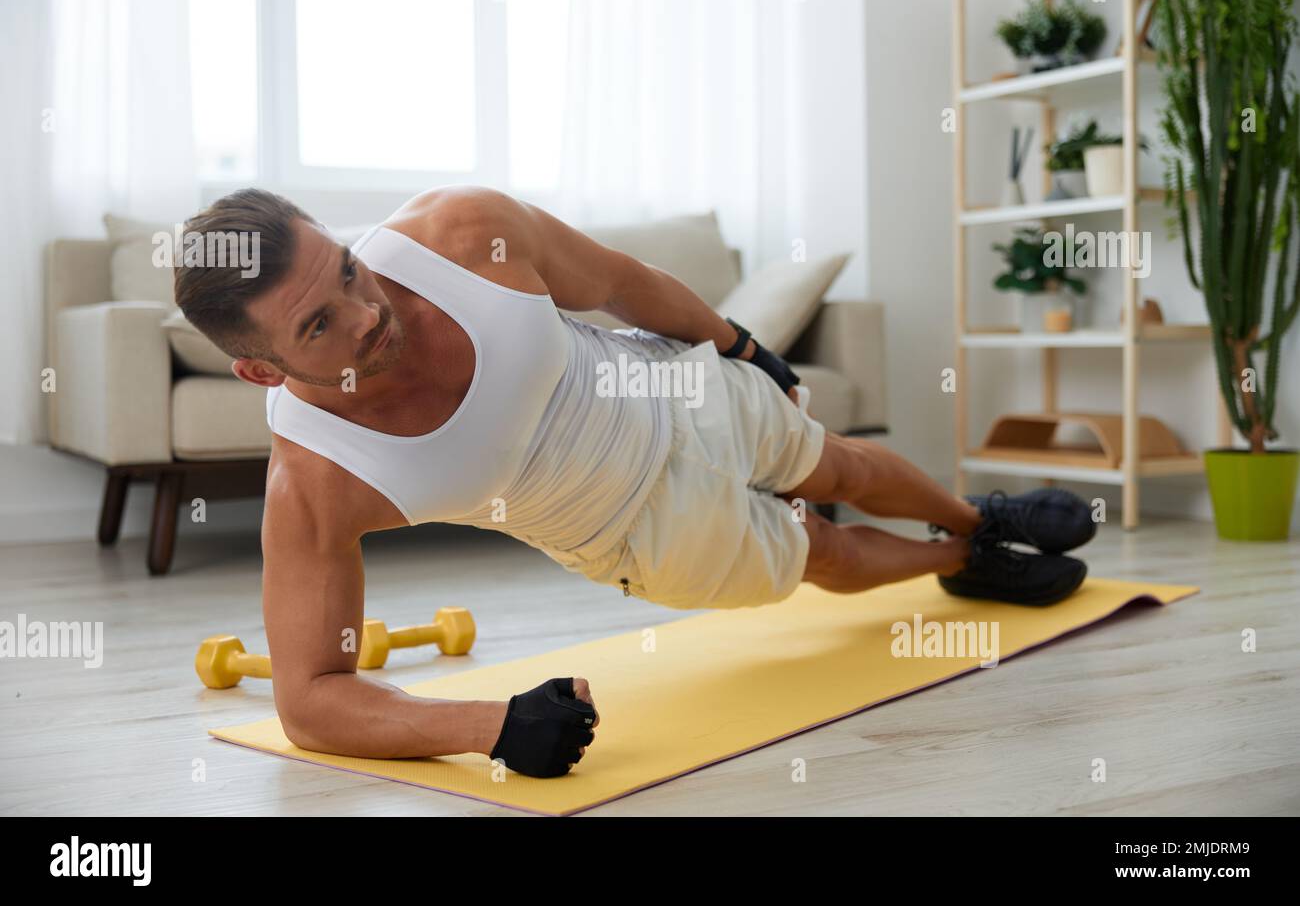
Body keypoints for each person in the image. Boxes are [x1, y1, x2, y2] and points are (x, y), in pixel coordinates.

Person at [174, 186, 1094, 777]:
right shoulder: (316, 479)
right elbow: (308, 699)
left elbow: (619, 281)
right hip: (633, 532)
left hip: (676, 389)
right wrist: (488, 725)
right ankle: (957, 564)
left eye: (346, 269)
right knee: (819, 548)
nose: (368, 313)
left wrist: (739, 345)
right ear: (262, 371)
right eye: (321, 328)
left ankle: (979, 517)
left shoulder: (461, 232)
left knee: (838, 461)